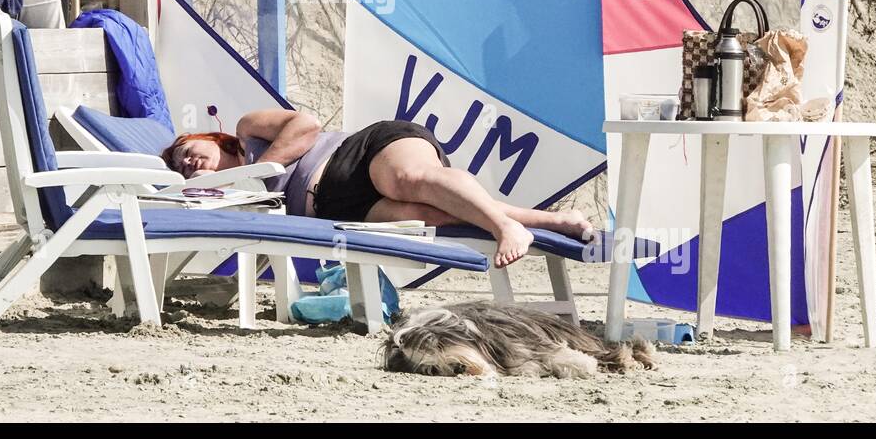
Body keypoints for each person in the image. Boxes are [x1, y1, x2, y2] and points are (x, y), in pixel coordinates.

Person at [160, 110, 595, 269]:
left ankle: (505, 227)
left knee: (412, 180)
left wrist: (265, 167)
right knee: (434, 215)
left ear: (205, 137)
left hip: (357, 155)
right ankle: (557, 221)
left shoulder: (247, 129)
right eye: (184, 167)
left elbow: (306, 124)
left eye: (187, 150)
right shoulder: (222, 191)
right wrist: (213, 187)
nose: (190, 161)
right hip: (341, 208)